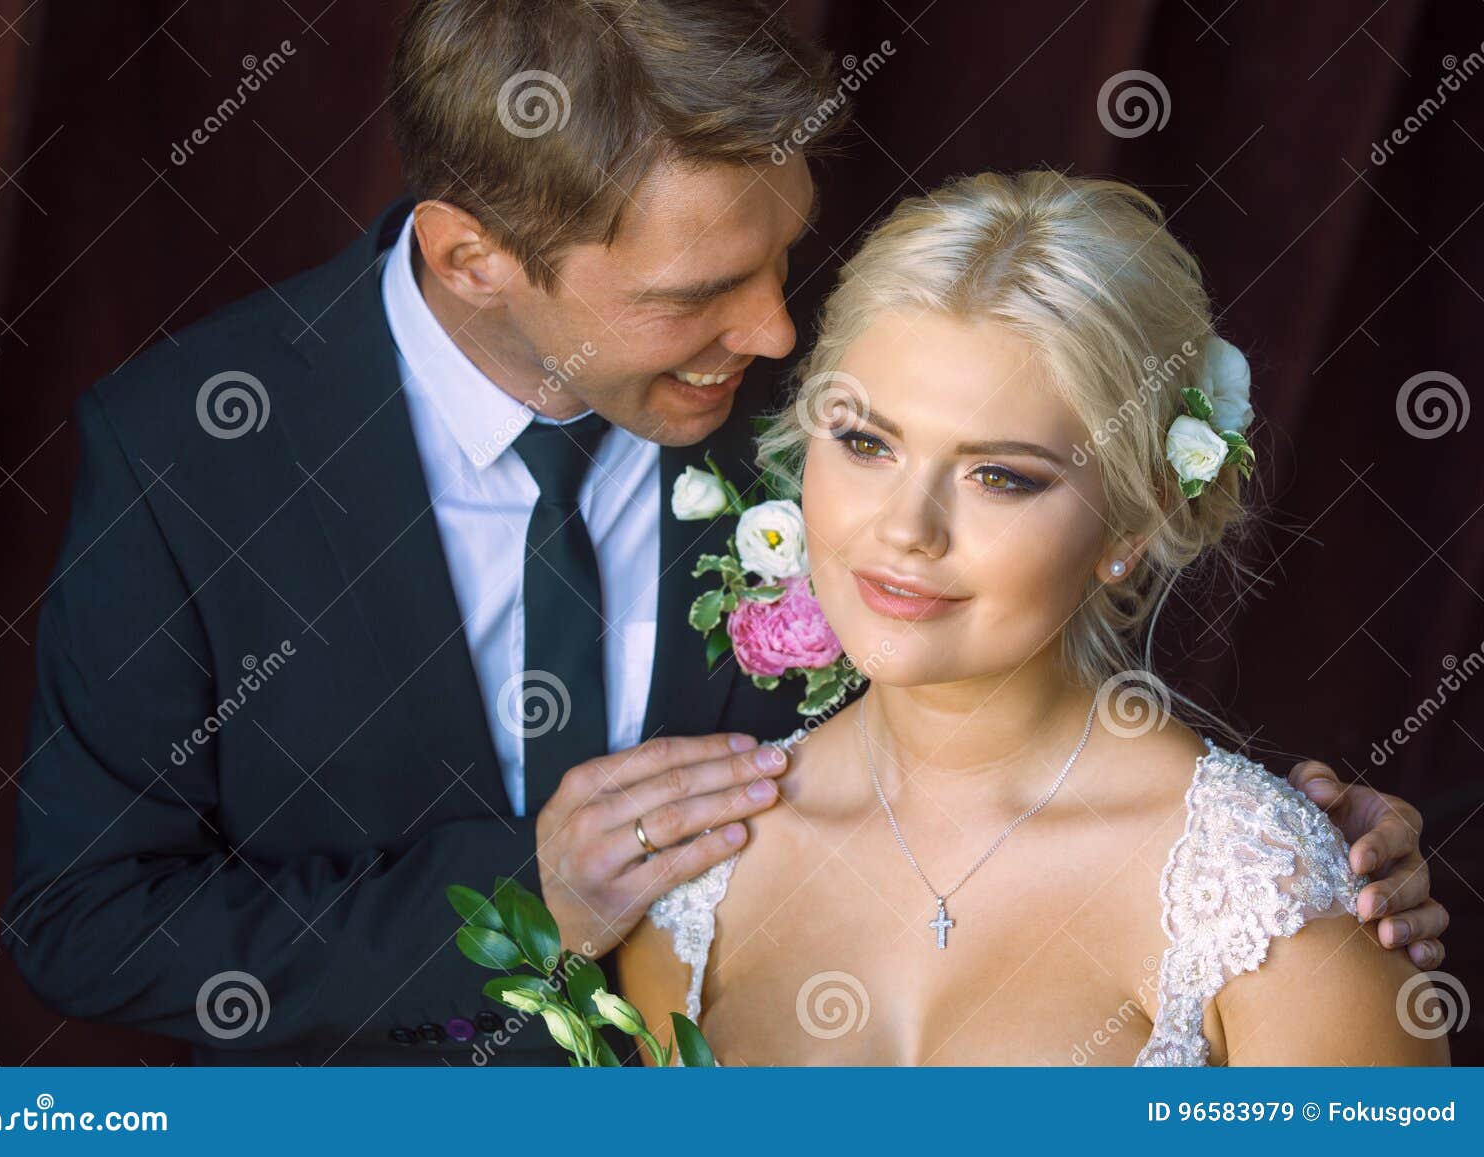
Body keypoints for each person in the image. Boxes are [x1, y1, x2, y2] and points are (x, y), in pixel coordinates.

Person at [1, 1, 1446, 1067]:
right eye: (695, 293)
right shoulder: (193, 446)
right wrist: (525, 898)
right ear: (472, 259)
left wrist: (1285, 878)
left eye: (785, 259)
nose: (770, 333)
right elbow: (88, 917)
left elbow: (1025, 697)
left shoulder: (865, 392)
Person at [619, 170, 1450, 1066]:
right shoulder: (697, 876)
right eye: (866, 442)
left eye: (1000, 475)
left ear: (1134, 520)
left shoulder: (1269, 909)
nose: (905, 529)